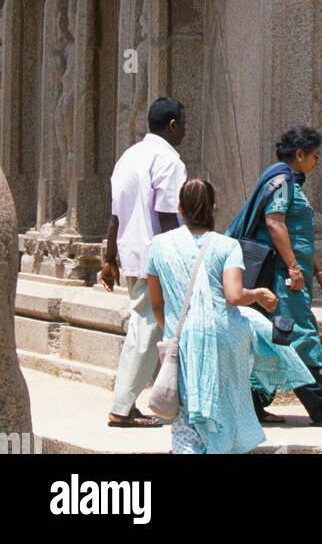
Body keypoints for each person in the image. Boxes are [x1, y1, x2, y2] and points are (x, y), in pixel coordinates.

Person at [147, 177, 314, 454]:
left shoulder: (159, 246)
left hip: (182, 343)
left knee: (187, 419)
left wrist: (179, 332)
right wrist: (260, 293)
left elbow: (156, 305)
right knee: (226, 412)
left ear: (179, 208)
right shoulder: (227, 246)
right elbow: (235, 296)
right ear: (213, 208)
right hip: (225, 341)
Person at [227, 125, 322, 426]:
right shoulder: (284, 183)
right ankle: (320, 406)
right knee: (297, 333)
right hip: (283, 280)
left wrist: (320, 271)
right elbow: (275, 225)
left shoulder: (288, 184)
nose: (317, 161)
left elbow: (300, 236)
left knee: (273, 340)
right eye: (314, 155)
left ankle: (252, 407)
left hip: (291, 276)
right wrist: (294, 268)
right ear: (299, 155)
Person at [100, 97, 187, 428]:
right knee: (145, 330)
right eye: (183, 124)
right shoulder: (168, 160)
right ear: (173, 125)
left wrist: (109, 259)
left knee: (147, 328)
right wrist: (178, 260)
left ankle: (139, 402)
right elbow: (168, 216)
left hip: (132, 255)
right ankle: (121, 407)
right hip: (156, 259)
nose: (185, 131)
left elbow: (115, 215)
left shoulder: (129, 156)